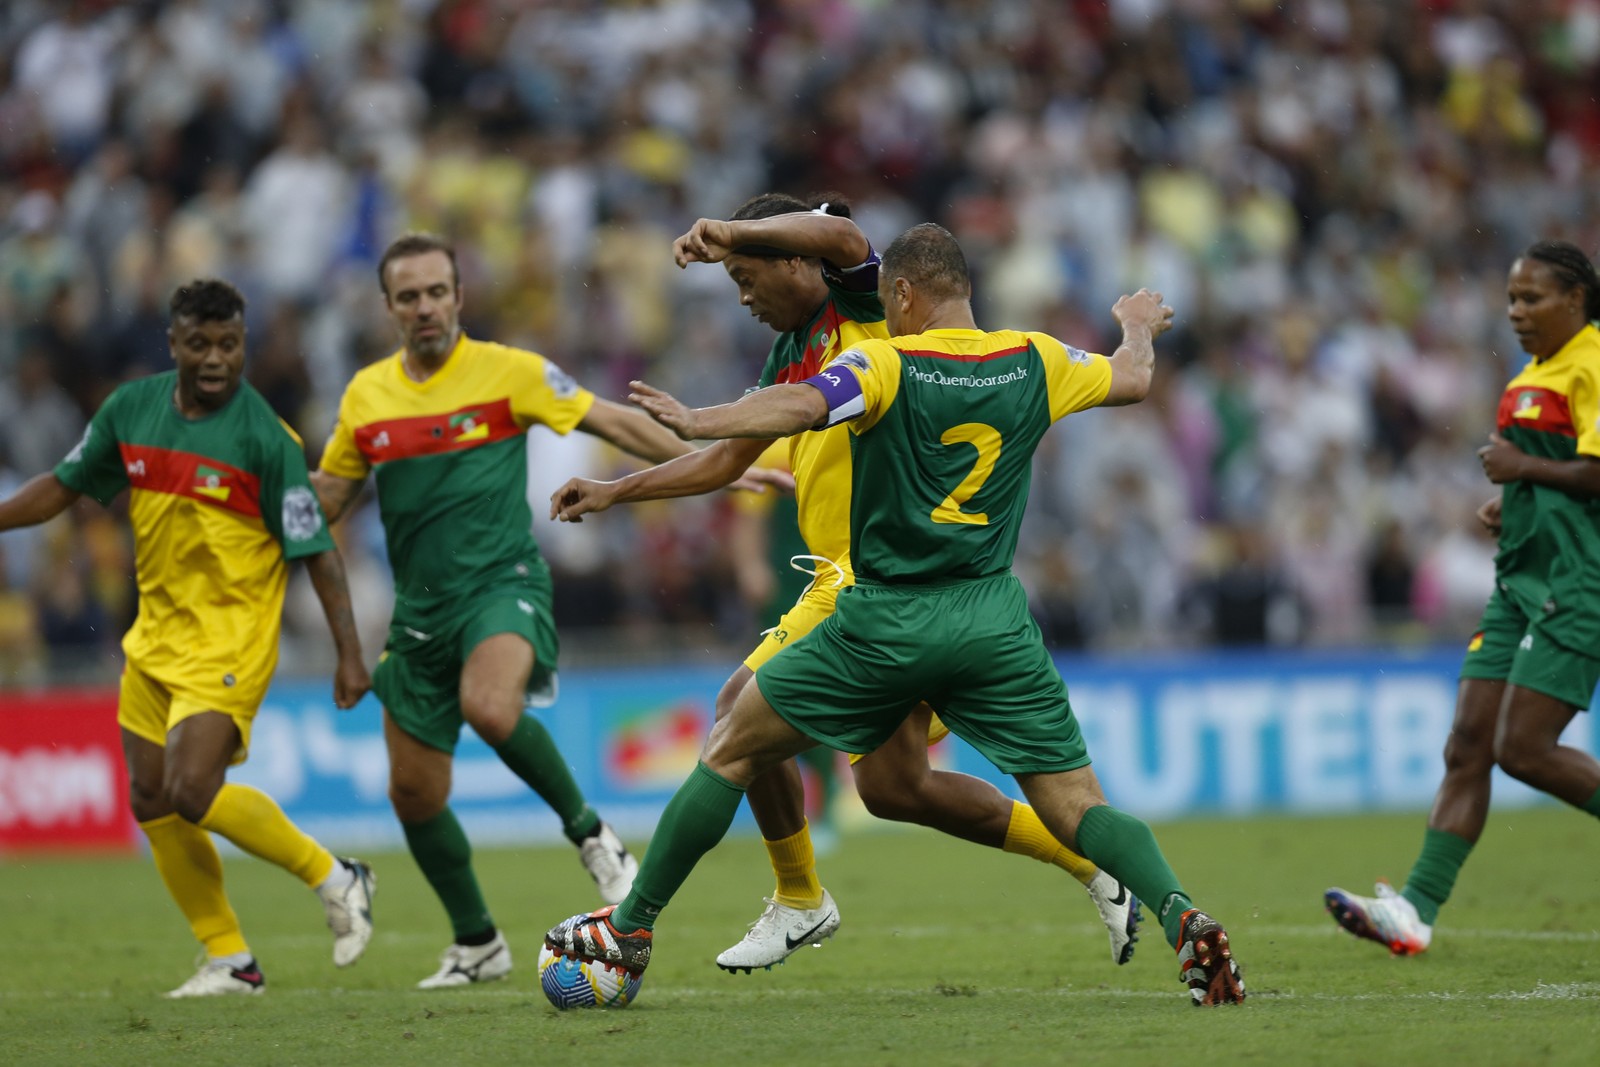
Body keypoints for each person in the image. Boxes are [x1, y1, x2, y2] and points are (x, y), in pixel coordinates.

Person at [547, 223, 1247, 1007]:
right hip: (992, 621)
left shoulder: (883, 361)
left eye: (889, 299)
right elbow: (1132, 379)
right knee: (1070, 803)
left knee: (734, 741)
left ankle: (631, 927)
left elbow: (809, 403)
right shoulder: (1038, 357)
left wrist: (701, 416)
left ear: (907, 294)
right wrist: (1138, 323)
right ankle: (1181, 912)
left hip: (884, 618)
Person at [311, 232, 711, 990]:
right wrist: (264, 494)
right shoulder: (366, 396)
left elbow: (612, 422)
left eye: (437, 291)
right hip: (417, 617)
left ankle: (594, 837)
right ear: (388, 307)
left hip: (503, 585)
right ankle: (476, 942)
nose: (425, 306)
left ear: (459, 295)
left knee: (490, 706)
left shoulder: (511, 373)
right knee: (413, 793)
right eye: (409, 296)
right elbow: (329, 496)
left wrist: (718, 459)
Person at [0, 279, 376, 998]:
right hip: (156, 635)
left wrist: (349, 653)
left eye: (229, 344)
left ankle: (335, 874)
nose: (214, 359)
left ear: (244, 345)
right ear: (172, 343)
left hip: (230, 638)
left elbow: (317, 550)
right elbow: (64, 484)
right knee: (149, 797)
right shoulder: (131, 410)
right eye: (199, 344)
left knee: (192, 788)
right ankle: (230, 957)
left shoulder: (266, 438)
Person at [1326, 240, 1600, 954]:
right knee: (1468, 744)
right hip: (1518, 583)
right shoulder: (1528, 377)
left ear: (1576, 299)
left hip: (1575, 585)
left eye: (1532, 298)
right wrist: (1513, 503)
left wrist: (1519, 468)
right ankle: (1414, 911)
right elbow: (1547, 477)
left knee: (1525, 748)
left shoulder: (1594, 364)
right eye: (1511, 298)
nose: (1516, 311)